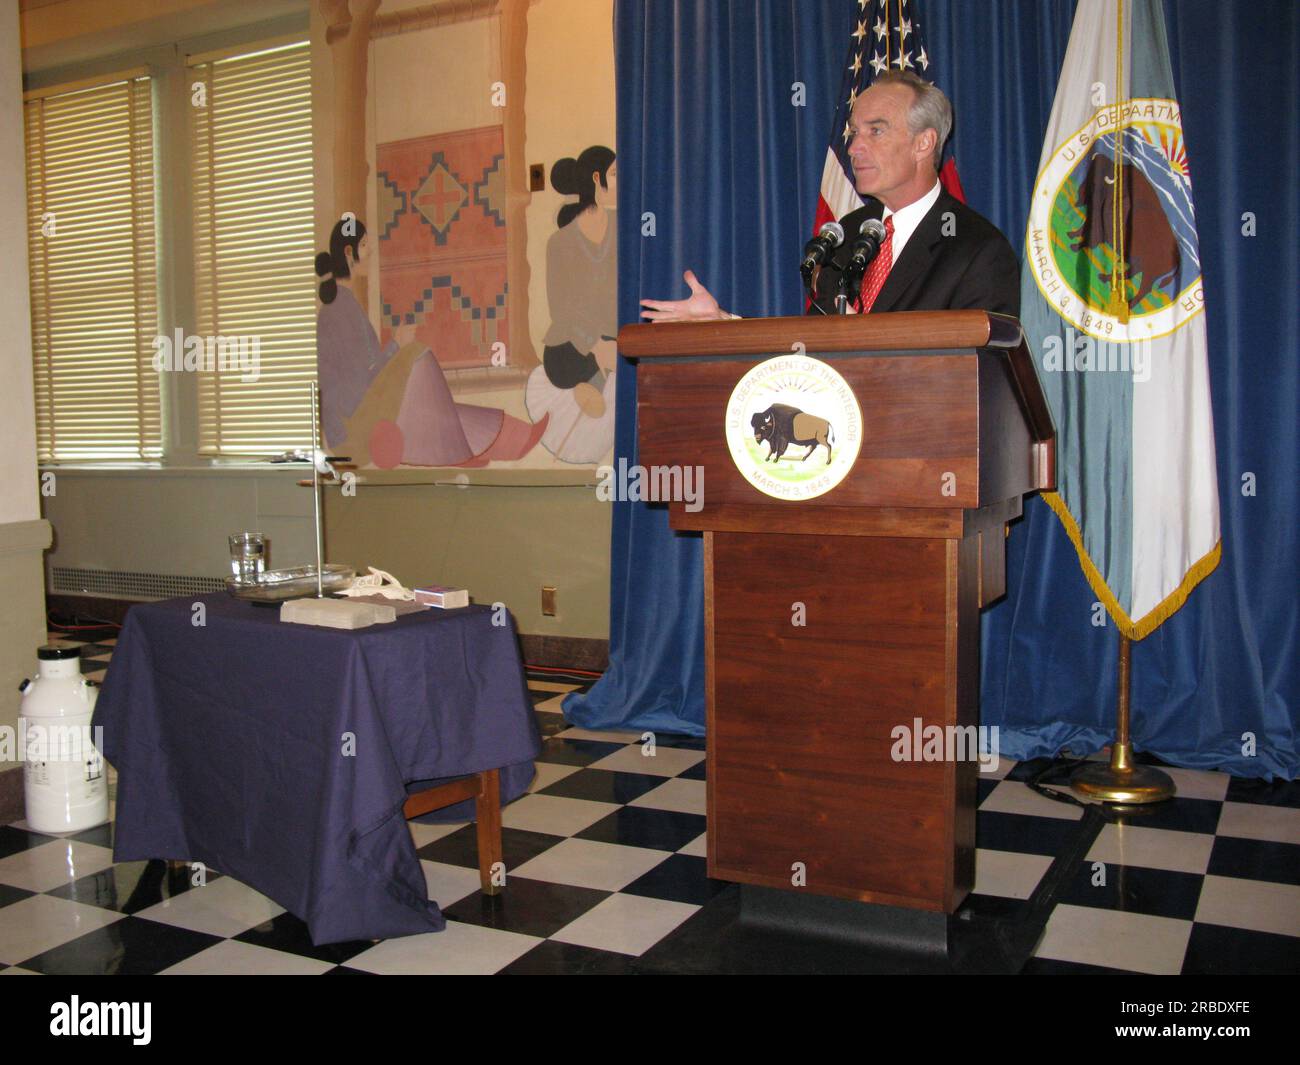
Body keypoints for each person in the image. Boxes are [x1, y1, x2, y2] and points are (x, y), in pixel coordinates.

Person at [639, 71, 1019, 322]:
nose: (854, 148)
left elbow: (980, 378)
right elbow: (809, 350)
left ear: (924, 142)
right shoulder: (843, 235)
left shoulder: (977, 250)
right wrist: (724, 323)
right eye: (854, 133)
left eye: (876, 131)